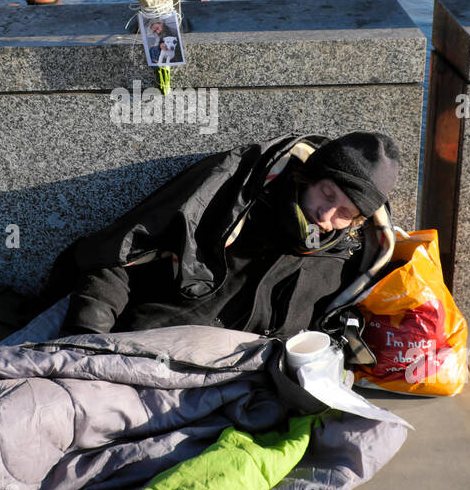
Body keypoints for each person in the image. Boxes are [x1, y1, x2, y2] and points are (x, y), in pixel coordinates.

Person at [35, 132, 401, 340]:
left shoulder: (340, 262)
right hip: (143, 347)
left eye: (345, 214)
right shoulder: (230, 197)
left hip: (234, 384)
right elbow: (119, 258)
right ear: (307, 177)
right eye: (327, 194)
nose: (326, 215)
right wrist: (85, 341)